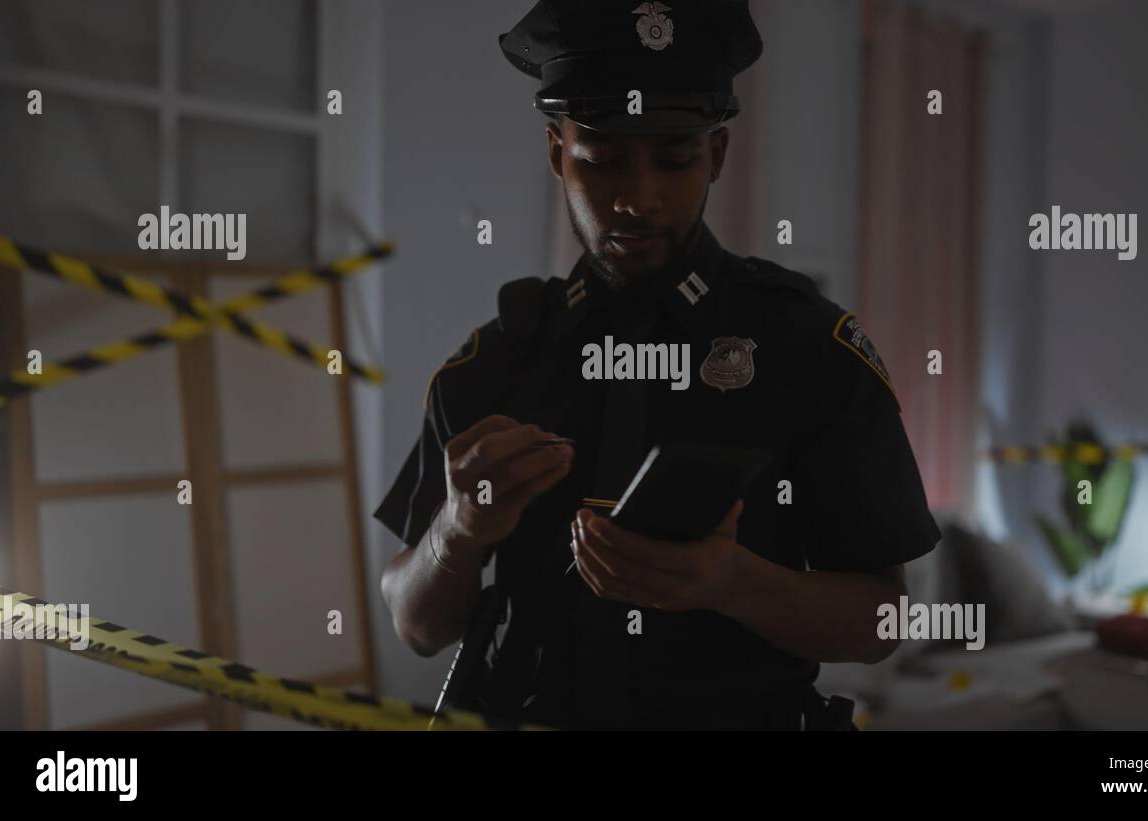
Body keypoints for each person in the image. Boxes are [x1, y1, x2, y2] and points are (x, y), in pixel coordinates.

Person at [375, 0, 941, 730]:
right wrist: (457, 529)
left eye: (675, 159)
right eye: (601, 158)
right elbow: (415, 625)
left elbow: (883, 620)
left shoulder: (810, 348)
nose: (637, 199)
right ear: (556, 150)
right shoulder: (494, 360)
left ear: (717, 155)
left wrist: (734, 583)